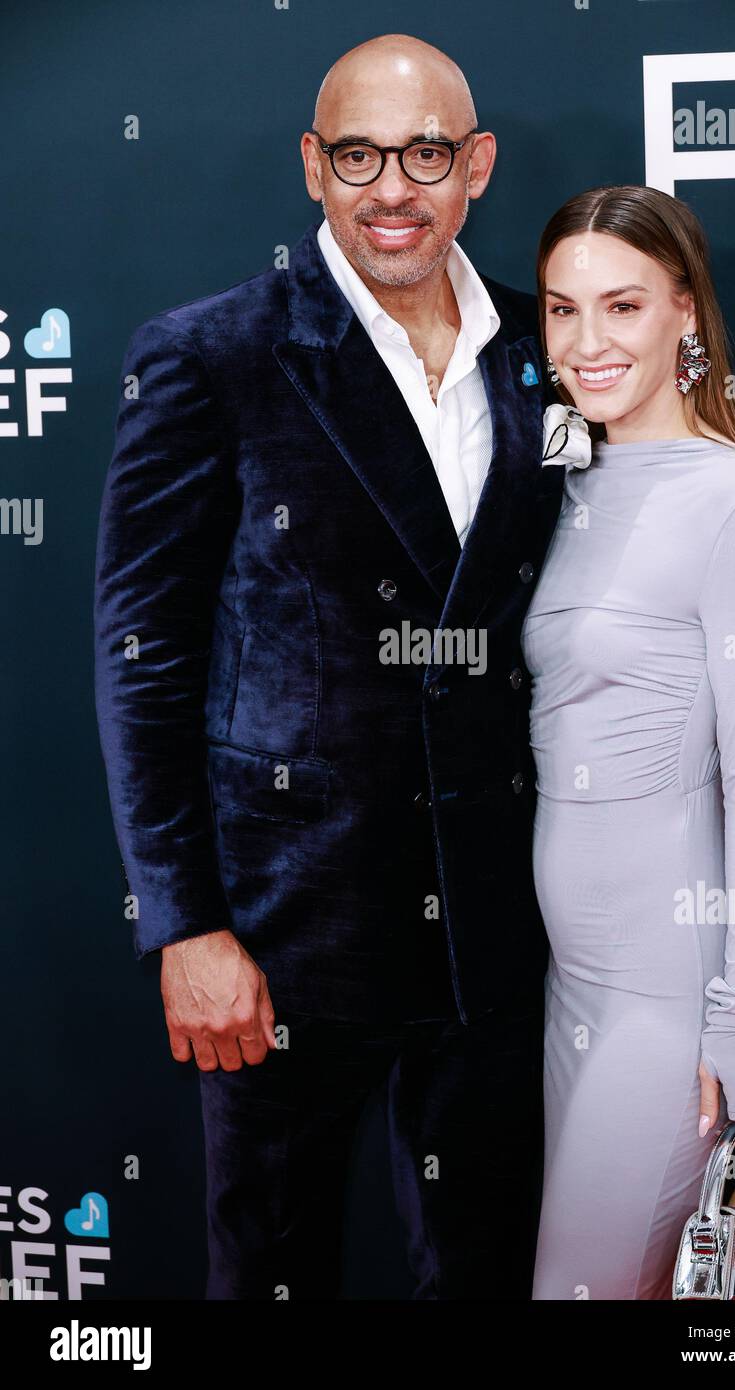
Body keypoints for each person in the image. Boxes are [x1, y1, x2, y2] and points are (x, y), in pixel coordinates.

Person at [93, 33, 564, 1300]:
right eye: (357, 155)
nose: (390, 189)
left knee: (482, 1271)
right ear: (313, 167)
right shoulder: (211, 355)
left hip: (497, 927)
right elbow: (142, 660)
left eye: (423, 154)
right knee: (270, 1272)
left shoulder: (546, 356)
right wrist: (182, 923)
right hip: (284, 932)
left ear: (475, 167)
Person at [522, 185, 735, 1300]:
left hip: (667, 998)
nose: (586, 344)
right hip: (570, 990)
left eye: (621, 307)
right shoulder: (564, 482)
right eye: (560, 311)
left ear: (683, 313)